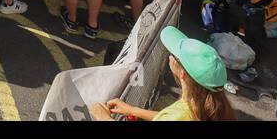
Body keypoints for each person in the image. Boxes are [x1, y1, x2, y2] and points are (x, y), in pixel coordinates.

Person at [93, 27, 234, 121]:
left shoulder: (182, 114)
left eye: (174, 54)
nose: (170, 56)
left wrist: (103, 118)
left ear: (183, 74)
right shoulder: (207, 103)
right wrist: (132, 110)